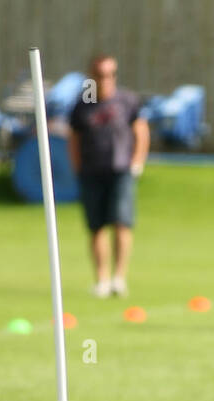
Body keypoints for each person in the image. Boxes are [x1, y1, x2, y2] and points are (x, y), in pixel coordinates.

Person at [68, 54, 149, 298]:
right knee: (96, 226)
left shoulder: (127, 101)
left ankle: (119, 278)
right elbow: (74, 138)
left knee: (122, 222)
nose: (104, 80)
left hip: (121, 169)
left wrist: (137, 162)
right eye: (99, 75)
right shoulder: (83, 105)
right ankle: (101, 280)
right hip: (92, 171)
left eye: (109, 74)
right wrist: (77, 167)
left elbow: (141, 130)